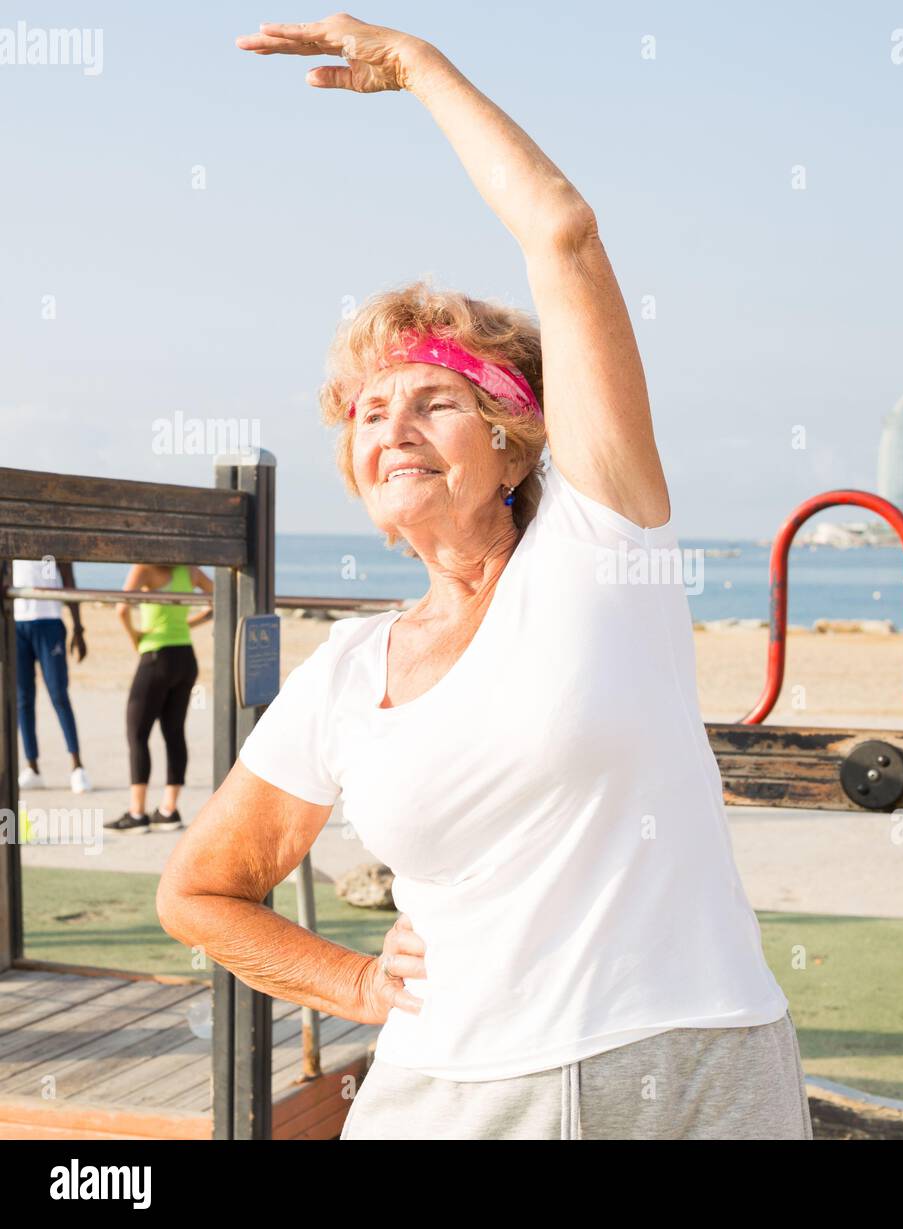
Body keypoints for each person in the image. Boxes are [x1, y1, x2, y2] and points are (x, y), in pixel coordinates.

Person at [156, 14, 813, 1140]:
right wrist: (355, 986)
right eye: (369, 411)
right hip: (449, 1092)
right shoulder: (349, 669)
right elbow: (199, 890)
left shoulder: (600, 543)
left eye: (434, 400)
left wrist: (415, 68)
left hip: (690, 1067)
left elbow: (563, 234)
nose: (393, 425)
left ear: (512, 436)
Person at [107, 563, 214, 834]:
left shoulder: (143, 568)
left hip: (156, 657)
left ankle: (137, 813)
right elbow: (218, 599)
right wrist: (187, 623)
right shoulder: (190, 570)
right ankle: (169, 810)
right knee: (174, 732)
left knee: (137, 733)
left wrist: (136, 637)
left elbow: (122, 608)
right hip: (185, 658)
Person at [11, 556, 91, 793]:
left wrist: (78, 628)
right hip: (17, 623)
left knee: (58, 694)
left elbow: (69, 580)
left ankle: (77, 766)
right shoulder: (11, 536)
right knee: (23, 699)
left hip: (49, 623)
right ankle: (33, 767)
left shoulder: (53, 540)